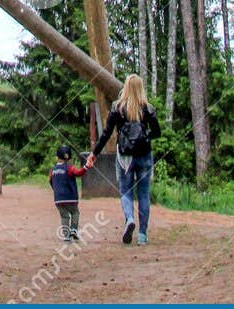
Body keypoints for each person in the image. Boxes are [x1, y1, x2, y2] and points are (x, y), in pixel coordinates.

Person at [87, 73, 161, 246]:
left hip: (125, 156)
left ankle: (129, 219)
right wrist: (145, 136)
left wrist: (94, 154)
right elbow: (157, 132)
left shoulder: (117, 108)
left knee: (126, 191)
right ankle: (142, 235)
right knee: (143, 194)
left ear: (126, 88)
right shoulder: (148, 108)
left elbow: (106, 134)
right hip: (144, 155)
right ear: (141, 89)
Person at [48, 143, 88, 242]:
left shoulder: (53, 170)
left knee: (64, 216)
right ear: (69, 158)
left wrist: (56, 190)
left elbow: (50, 181)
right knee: (75, 213)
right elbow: (78, 173)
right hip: (71, 198)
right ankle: (73, 230)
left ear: (57, 157)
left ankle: (66, 236)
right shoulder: (69, 167)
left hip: (58, 199)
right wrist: (86, 167)